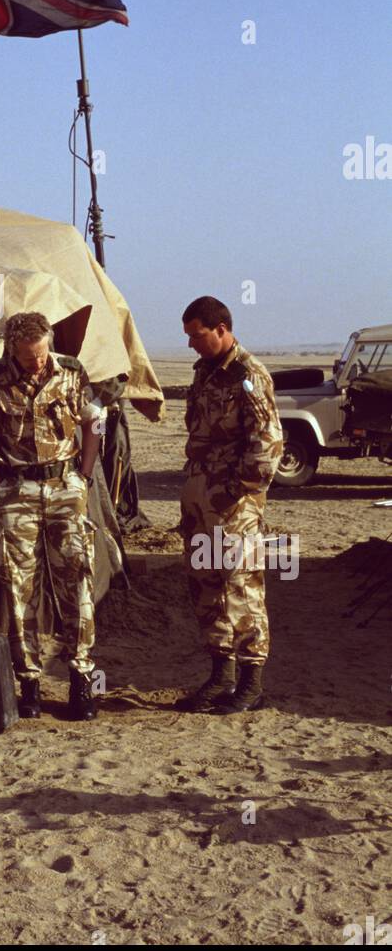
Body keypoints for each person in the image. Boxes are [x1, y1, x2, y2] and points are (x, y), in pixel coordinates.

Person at [0, 311, 103, 720]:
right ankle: (29, 683)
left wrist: (84, 476)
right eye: (28, 357)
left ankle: (81, 678)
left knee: (76, 579)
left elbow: (93, 422)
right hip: (17, 491)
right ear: (12, 350)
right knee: (18, 588)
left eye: (42, 353)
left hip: (65, 488)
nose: (37, 362)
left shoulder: (72, 372)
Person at [179, 296, 284, 713]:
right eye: (187, 337)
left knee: (241, 585)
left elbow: (268, 445)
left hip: (234, 502)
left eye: (198, 335)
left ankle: (251, 681)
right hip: (201, 496)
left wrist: (235, 491)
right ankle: (221, 674)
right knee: (206, 582)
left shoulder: (248, 376)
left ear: (221, 328)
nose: (191, 345)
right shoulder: (205, 373)